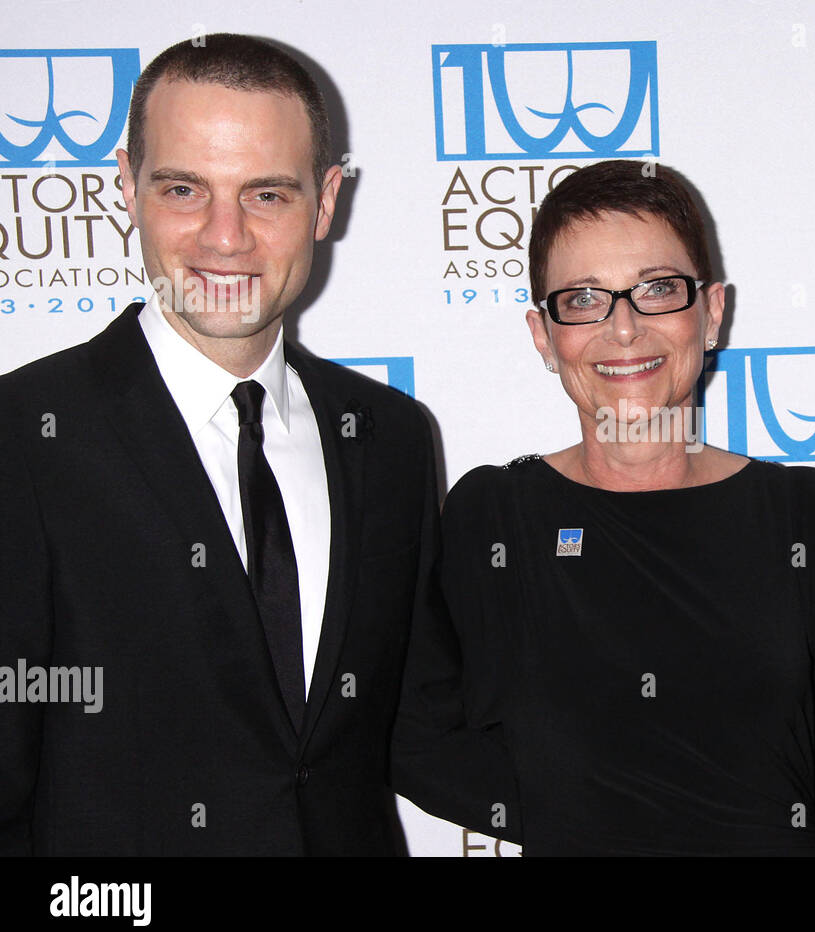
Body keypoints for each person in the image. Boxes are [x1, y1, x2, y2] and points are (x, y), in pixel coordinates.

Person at [0, 34, 514, 855]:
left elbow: (419, 726)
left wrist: (662, 804)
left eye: (267, 194)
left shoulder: (388, 439)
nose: (225, 236)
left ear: (326, 200)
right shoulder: (24, 436)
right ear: (127, 187)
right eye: (183, 189)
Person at [438, 160, 815, 855]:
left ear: (712, 312)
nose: (624, 329)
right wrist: (579, 815)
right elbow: (414, 731)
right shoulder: (495, 518)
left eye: (658, 290)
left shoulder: (806, 514)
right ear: (543, 336)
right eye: (582, 299)